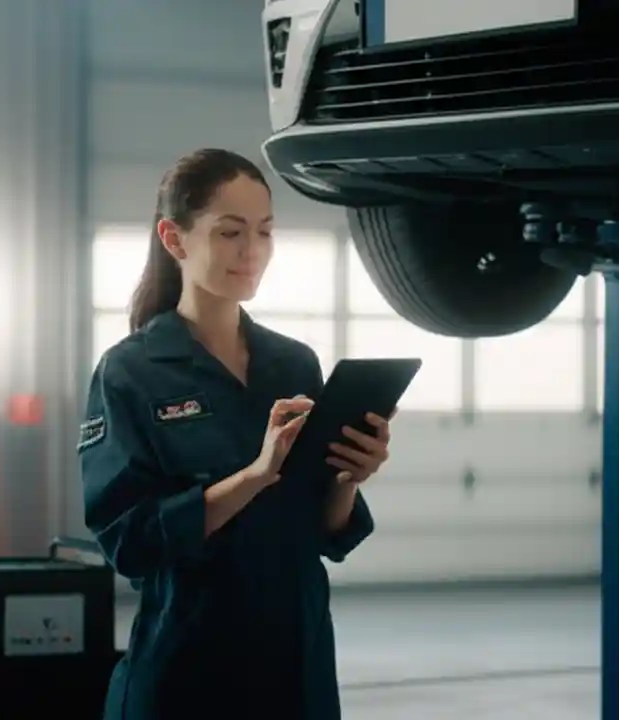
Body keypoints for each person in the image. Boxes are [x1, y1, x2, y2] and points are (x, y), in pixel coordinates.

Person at [78, 148, 393, 720]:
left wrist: (348, 475)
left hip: (297, 669)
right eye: (230, 233)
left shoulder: (293, 364)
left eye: (265, 232)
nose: (252, 252)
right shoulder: (131, 372)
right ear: (175, 240)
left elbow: (323, 531)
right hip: (190, 674)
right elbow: (130, 542)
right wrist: (255, 476)